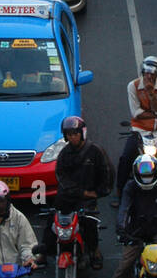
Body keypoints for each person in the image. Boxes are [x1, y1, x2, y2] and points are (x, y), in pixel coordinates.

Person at [115, 56, 157, 206]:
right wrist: (156, 114)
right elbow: (136, 113)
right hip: (139, 130)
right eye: (146, 73)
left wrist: (152, 94)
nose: (148, 76)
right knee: (125, 158)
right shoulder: (132, 86)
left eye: (152, 74)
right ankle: (119, 192)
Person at [42, 114, 110, 269]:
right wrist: (79, 192)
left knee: (90, 222)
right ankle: (44, 251)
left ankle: (94, 251)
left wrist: (100, 192)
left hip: (88, 197)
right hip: (68, 195)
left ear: (82, 133)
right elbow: (61, 176)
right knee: (52, 217)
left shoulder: (95, 151)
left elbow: (106, 173)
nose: (72, 137)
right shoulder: (64, 154)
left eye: (75, 134)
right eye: (69, 135)